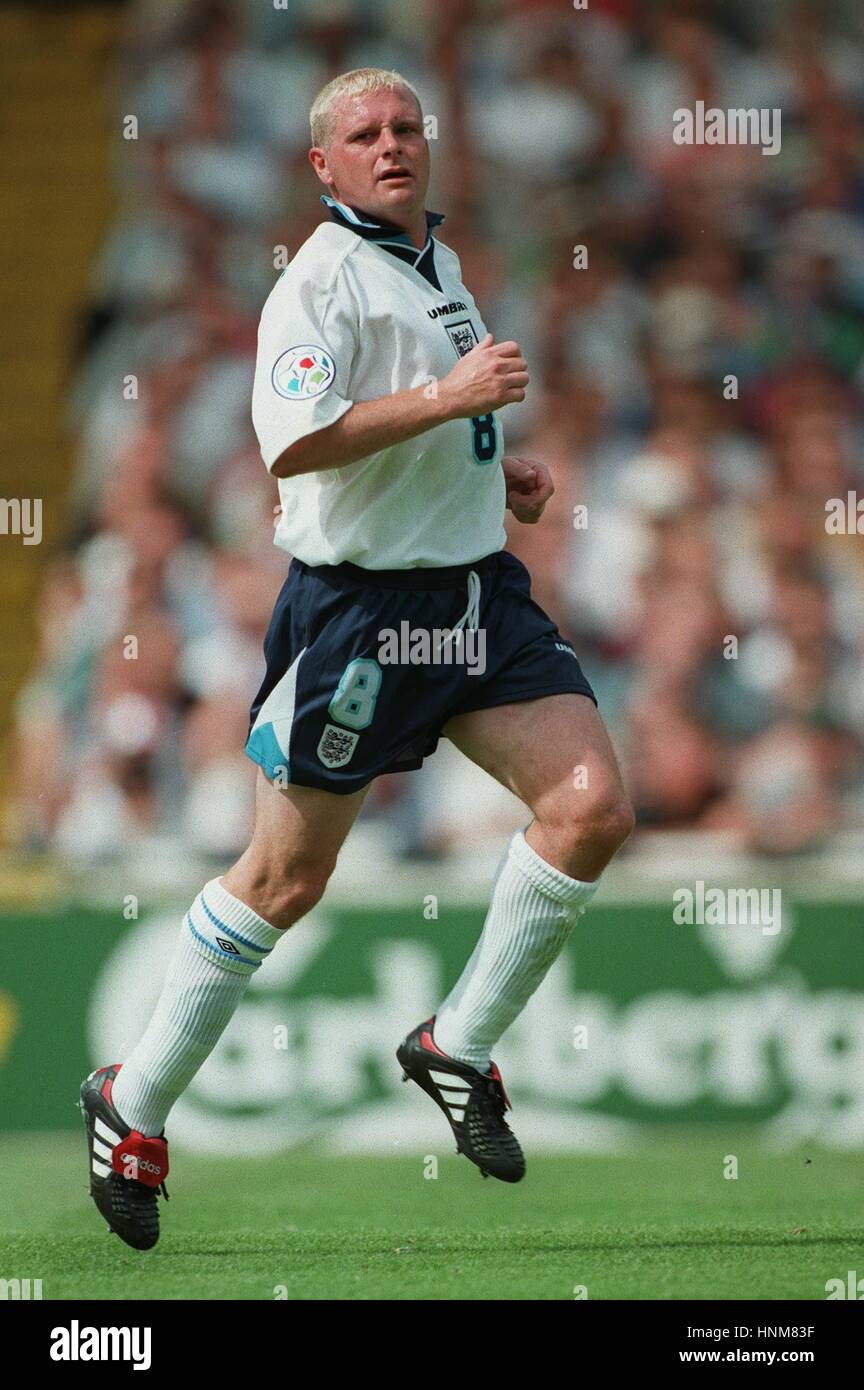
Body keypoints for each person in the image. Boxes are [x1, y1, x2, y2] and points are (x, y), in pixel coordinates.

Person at [80, 67, 634, 1250]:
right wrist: (449, 400)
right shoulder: (317, 281)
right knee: (286, 881)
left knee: (589, 808)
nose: (391, 147)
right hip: (365, 619)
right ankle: (130, 1106)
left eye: (406, 128)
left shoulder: (434, 261)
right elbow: (298, 443)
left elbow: (428, 421)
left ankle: (457, 1045)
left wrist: (494, 467)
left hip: (478, 596)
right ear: (321, 166)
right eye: (363, 136)